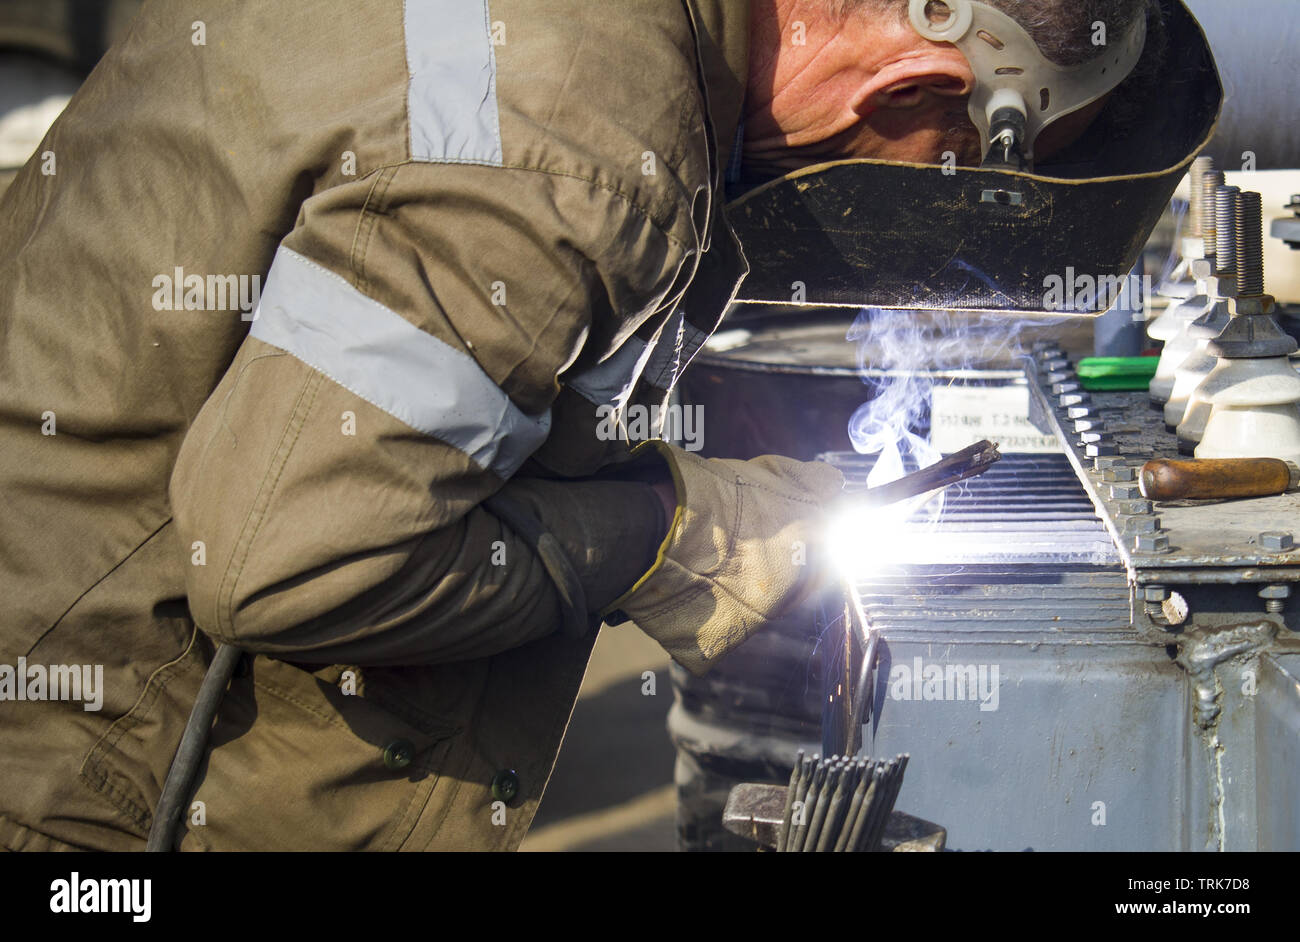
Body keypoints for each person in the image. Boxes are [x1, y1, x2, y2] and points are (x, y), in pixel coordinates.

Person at [0, 0, 1157, 851]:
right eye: (950, 167)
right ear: (905, 88)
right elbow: (299, 560)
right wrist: (680, 532)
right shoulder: (584, 139)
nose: (929, 190)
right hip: (96, 785)